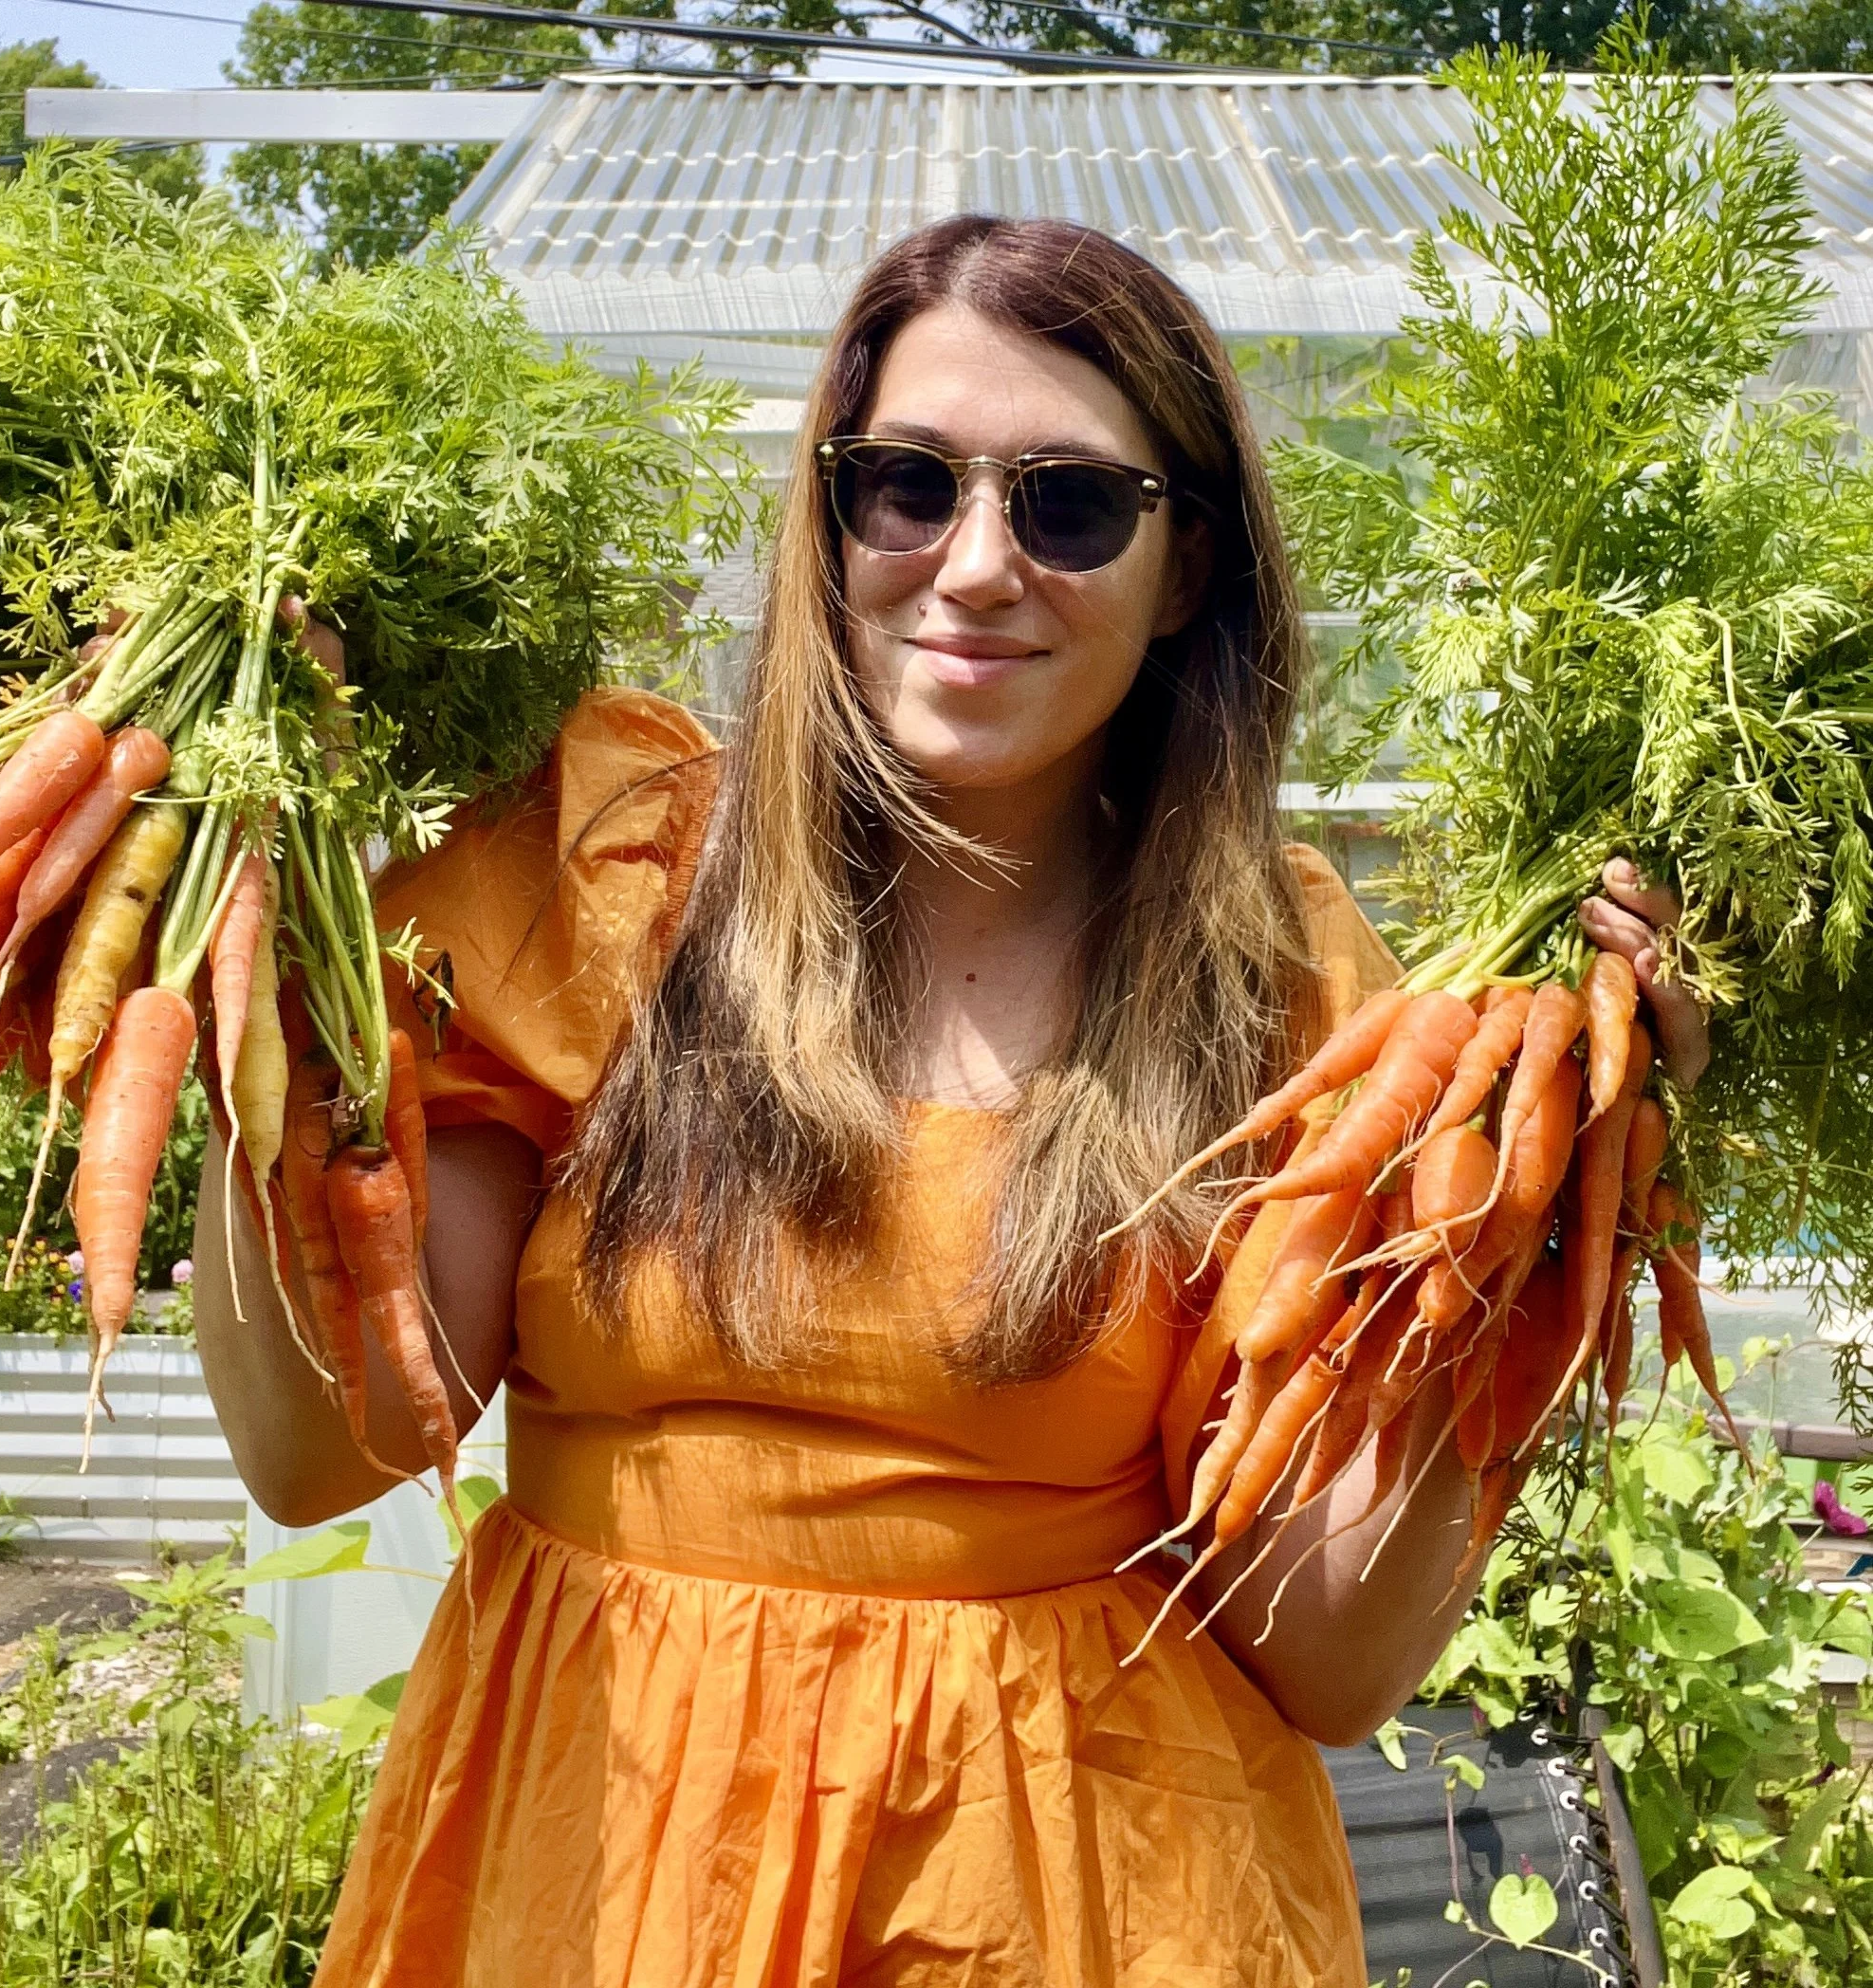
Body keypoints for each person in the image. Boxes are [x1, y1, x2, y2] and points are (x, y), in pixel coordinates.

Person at [194, 214, 1706, 1988]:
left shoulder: (1283, 986)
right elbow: (323, 1450)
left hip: (1082, 1890)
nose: (974, 565)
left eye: (1069, 506)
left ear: (1191, 559)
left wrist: (1541, 1210)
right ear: (832, 519)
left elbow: (1335, 1659)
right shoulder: (613, 876)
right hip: (598, 1869)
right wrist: (235, 961)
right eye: (906, 486)